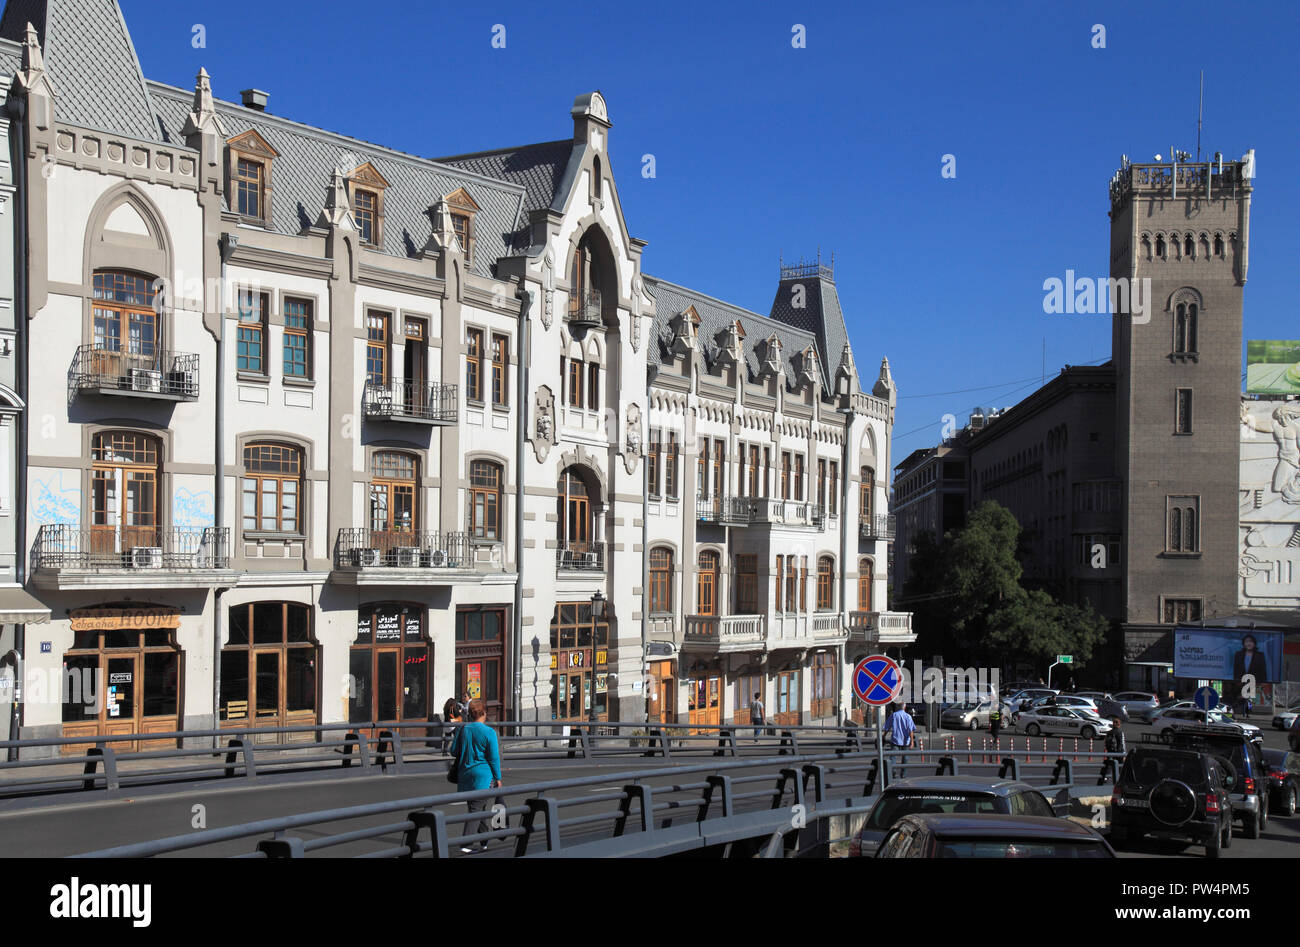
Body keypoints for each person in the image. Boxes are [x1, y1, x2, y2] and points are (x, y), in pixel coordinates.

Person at [448, 698, 502, 854]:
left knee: (477, 806)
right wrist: (498, 778)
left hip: (465, 775)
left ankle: (484, 841)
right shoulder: (489, 732)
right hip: (484, 777)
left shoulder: (463, 729)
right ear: (483, 713)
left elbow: (453, 752)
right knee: (476, 808)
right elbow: (493, 757)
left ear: (470, 714)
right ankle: (465, 844)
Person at [1231, 635, 1267, 700]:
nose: (1248, 643)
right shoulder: (1238, 654)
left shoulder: (1260, 655)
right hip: (1240, 684)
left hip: (1255, 684)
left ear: (1254, 643)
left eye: (1250, 641)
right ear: (1243, 644)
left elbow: (1263, 670)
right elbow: (1235, 669)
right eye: (1246, 641)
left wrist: (1262, 683)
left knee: (1253, 703)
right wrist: (1237, 682)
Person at [888, 701, 915, 779]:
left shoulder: (894, 715)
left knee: (893, 757)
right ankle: (903, 774)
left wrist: (883, 736)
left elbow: (887, 727)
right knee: (905, 758)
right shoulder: (908, 717)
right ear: (904, 707)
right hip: (905, 741)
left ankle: (893, 772)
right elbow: (910, 730)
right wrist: (912, 742)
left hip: (895, 740)